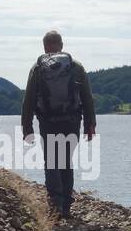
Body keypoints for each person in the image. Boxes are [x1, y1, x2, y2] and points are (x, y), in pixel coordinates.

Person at [21, 30, 96, 219]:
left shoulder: (38, 68)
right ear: (61, 45)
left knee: (52, 161)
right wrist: (90, 124)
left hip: (48, 122)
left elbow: (28, 99)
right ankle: (66, 206)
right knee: (65, 161)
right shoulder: (75, 66)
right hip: (71, 121)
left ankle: (56, 205)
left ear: (45, 46)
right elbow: (87, 97)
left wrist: (27, 127)